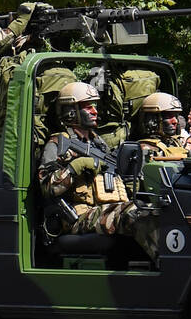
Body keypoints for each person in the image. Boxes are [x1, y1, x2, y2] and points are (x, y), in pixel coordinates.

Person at [38, 81, 157, 261]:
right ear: (71, 111)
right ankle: (167, 268)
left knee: (155, 212)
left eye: (95, 106)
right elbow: (47, 187)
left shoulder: (99, 144)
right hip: (78, 216)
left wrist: (130, 181)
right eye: (88, 107)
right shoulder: (58, 144)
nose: (95, 111)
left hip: (106, 210)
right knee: (137, 214)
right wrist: (74, 167)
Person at [136, 92, 188, 160]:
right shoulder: (145, 149)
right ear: (152, 120)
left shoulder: (175, 143)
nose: (175, 121)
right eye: (169, 116)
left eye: (175, 116)